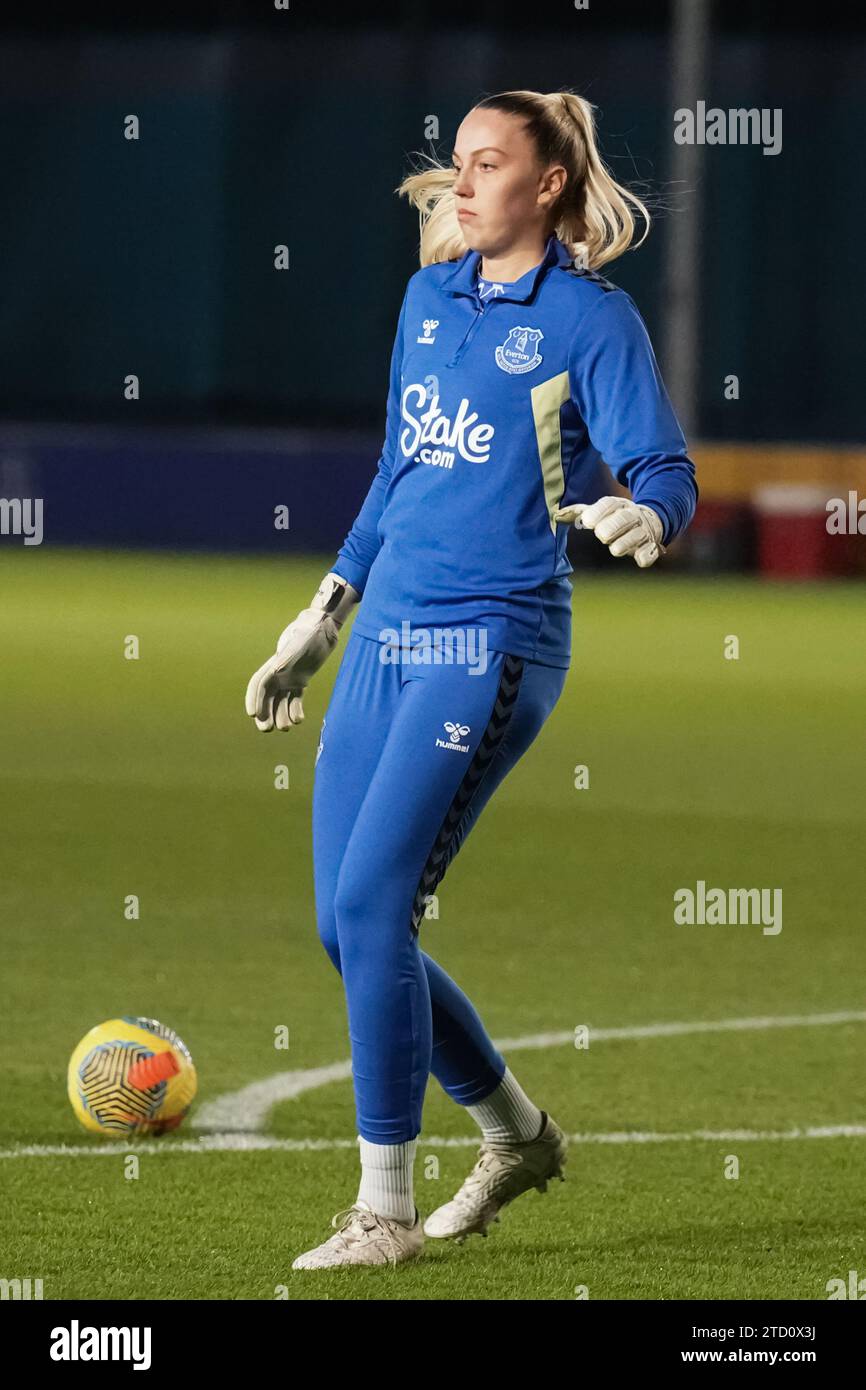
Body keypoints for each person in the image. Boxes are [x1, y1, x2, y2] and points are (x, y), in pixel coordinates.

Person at [244, 87, 698, 1270]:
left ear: (546, 186)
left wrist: (644, 511)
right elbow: (399, 468)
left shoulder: (587, 322)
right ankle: (516, 1135)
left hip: (490, 640)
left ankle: (382, 1210)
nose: (461, 179)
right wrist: (324, 611)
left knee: (369, 909)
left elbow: (660, 462)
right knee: (347, 933)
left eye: (487, 163)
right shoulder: (427, 296)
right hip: (388, 632)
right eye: (457, 160)